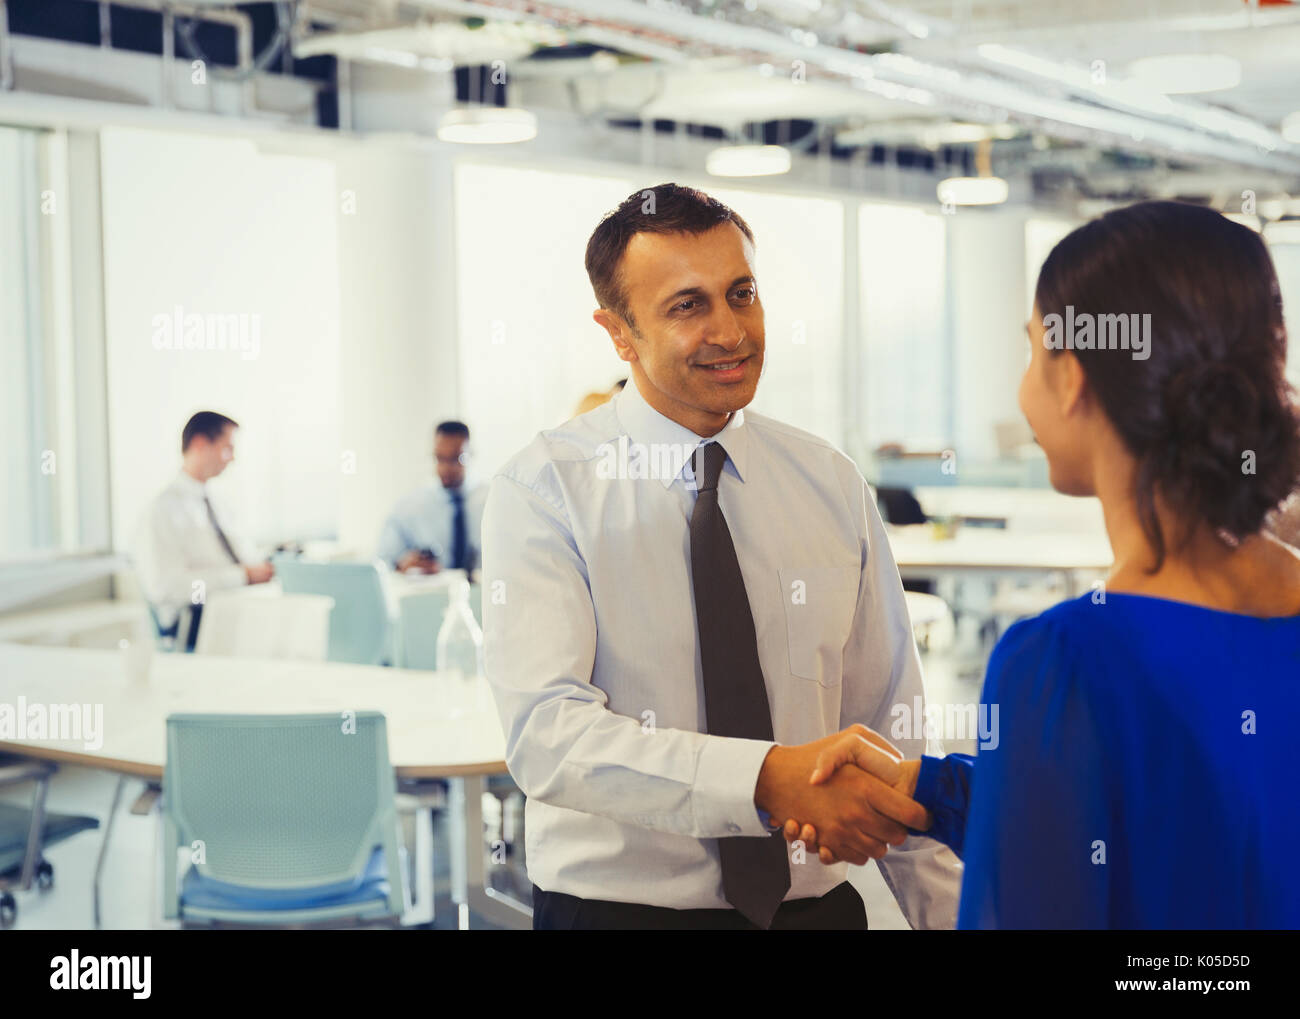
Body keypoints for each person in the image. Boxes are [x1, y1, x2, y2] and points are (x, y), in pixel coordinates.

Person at [787, 201, 1300, 929]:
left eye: (1033, 351)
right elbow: (1197, 832)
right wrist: (937, 789)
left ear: (1073, 376)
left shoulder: (1065, 662)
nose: (1023, 385)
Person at [481, 183, 959, 931]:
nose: (730, 329)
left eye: (742, 293)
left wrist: (959, 916)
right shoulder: (545, 489)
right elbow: (549, 735)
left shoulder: (829, 483)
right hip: (619, 914)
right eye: (687, 305)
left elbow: (887, 731)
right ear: (618, 332)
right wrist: (769, 779)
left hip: (816, 913)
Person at [132, 411, 274, 651]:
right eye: (227, 448)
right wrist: (241, 576)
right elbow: (165, 588)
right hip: (195, 626)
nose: (232, 459)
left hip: (236, 614)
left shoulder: (220, 503)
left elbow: (242, 557)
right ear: (200, 444)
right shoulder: (161, 511)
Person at [377, 420, 486, 574]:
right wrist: (401, 565)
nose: (446, 468)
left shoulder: (491, 503)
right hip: (430, 594)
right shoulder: (409, 507)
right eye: (440, 458)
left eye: (456, 459)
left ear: (471, 455)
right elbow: (381, 563)